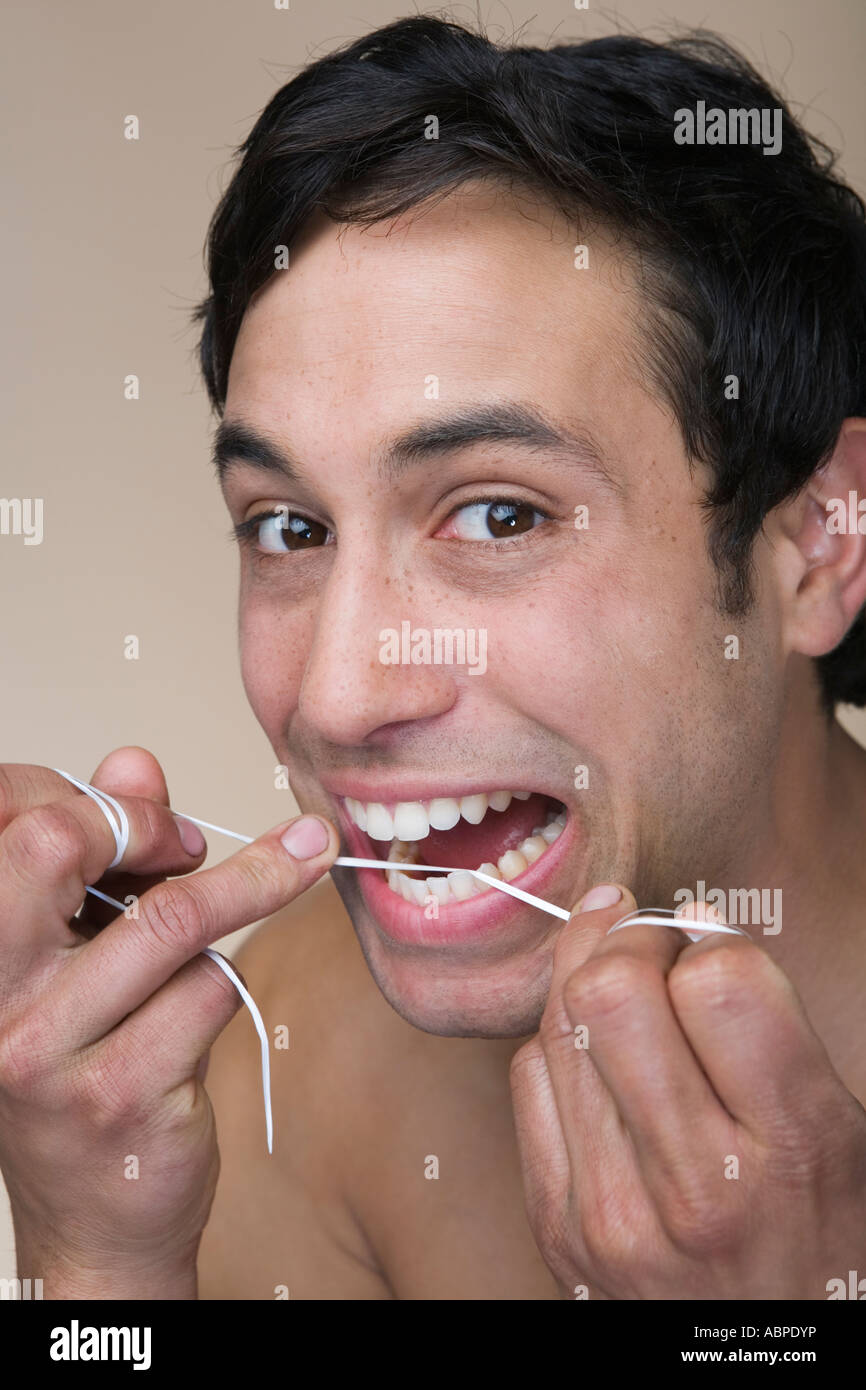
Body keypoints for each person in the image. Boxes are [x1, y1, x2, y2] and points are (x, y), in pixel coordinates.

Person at [3, 16, 865, 1300]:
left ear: (816, 543)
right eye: (288, 528)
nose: (338, 696)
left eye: (499, 514)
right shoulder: (267, 1079)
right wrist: (97, 1265)